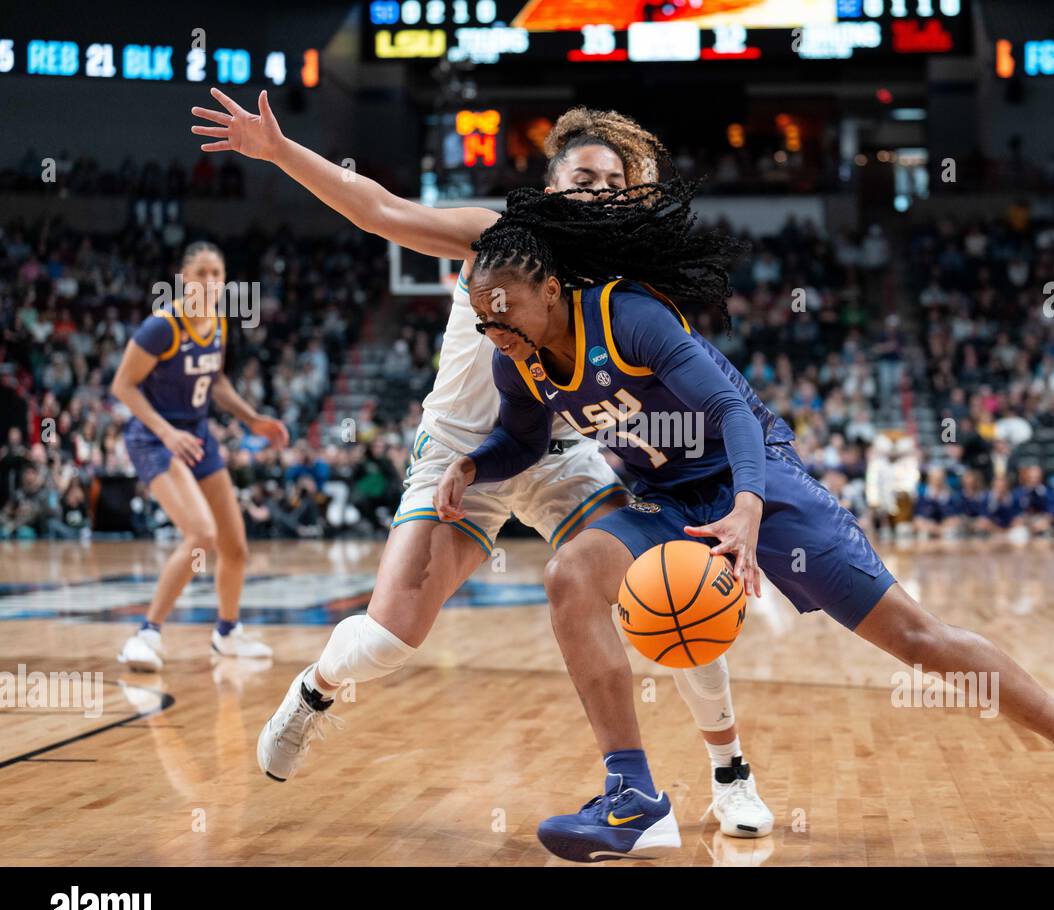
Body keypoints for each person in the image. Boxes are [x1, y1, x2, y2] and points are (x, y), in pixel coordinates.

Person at [436, 181, 1054, 862]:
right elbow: (524, 440)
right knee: (570, 574)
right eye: (481, 314)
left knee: (916, 638)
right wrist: (473, 466)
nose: (491, 325)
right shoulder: (518, 361)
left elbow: (727, 412)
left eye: (503, 309)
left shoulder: (629, 316)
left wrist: (748, 509)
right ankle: (633, 797)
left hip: (758, 476)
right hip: (669, 497)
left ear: (553, 290)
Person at [192, 90, 773, 838]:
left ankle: (725, 778)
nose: (593, 192)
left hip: (557, 453)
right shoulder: (498, 237)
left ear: (629, 190)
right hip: (461, 456)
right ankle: (315, 689)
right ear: (551, 185)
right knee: (390, 640)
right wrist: (280, 151)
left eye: (608, 181)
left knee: (674, 583)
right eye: (579, 179)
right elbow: (380, 209)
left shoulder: (620, 279)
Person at [112, 241, 289, 671]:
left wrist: (251, 419)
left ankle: (227, 633)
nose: (211, 281)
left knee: (235, 546)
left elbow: (217, 381)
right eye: (202, 273)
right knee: (201, 535)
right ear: (184, 279)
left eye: (217, 273)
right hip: (155, 439)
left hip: (197, 436)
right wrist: (166, 432)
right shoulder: (162, 326)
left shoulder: (218, 322)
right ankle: (146, 634)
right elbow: (123, 387)